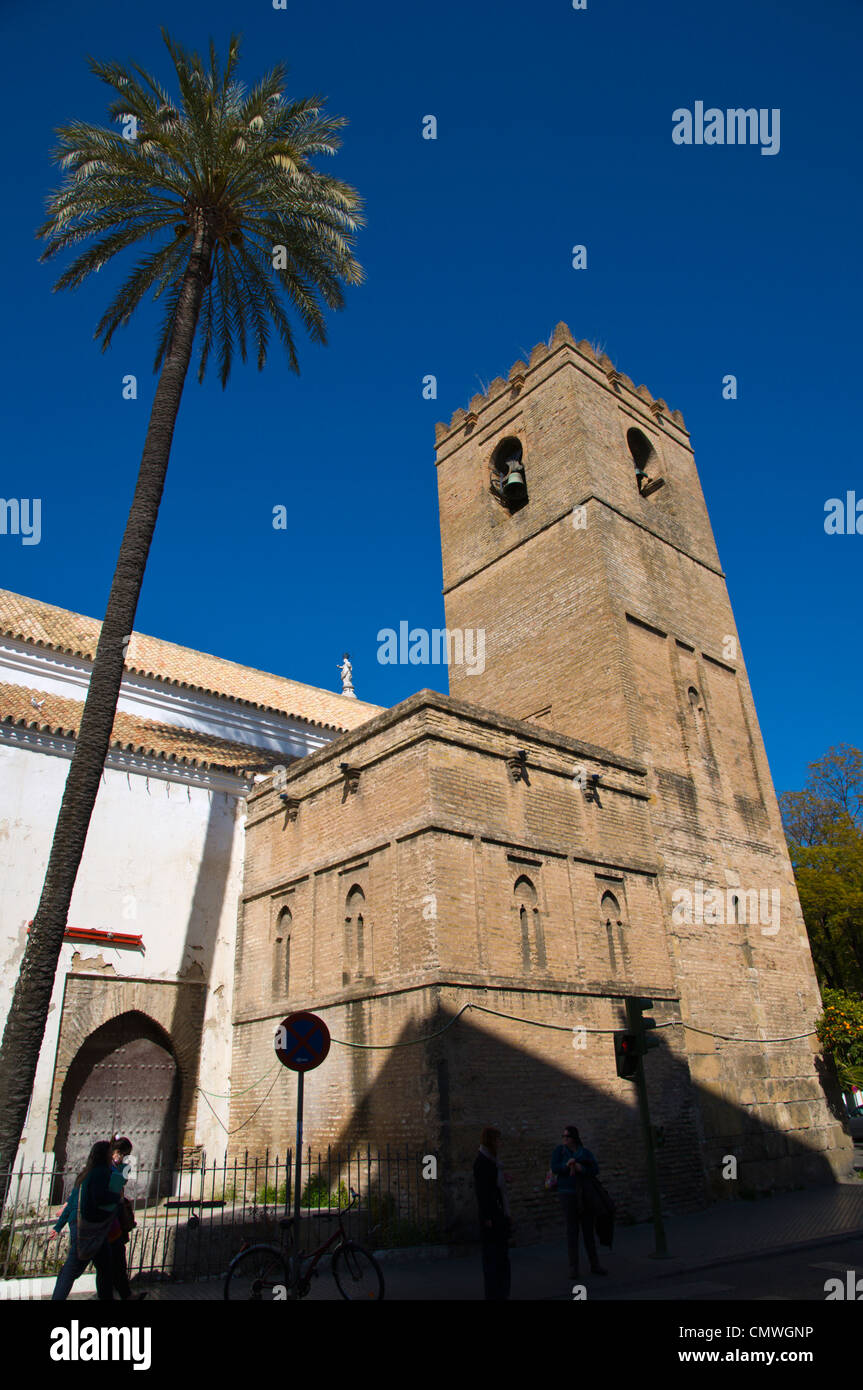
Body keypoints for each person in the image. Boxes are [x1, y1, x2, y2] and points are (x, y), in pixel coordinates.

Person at [50, 1140, 122, 1300]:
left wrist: (58, 1226)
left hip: (80, 1224)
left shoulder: (85, 1174)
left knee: (104, 1266)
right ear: (106, 1155)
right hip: (90, 1227)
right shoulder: (102, 1172)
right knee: (72, 1268)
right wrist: (116, 1197)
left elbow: (70, 1204)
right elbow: (99, 1197)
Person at [550, 1124, 607, 1279]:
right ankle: (573, 1268)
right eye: (563, 1136)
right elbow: (554, 1168)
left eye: (567, 1136)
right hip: (567, 1194)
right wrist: (566, 1165)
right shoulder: (560, 1151)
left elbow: (595, 1169)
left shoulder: (585, 1153)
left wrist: (582, 1168)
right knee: (572, 1231)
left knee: (588, 1231)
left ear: (574, 1138)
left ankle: (594, 1264)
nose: (564, 1139)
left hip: (585, 1195)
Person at [473, 1126, 512, 1300]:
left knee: (500, 1257)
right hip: (492, 1217)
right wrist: (487, 1217)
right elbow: (482, 1192)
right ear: (492, 1141)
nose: (501, 1143)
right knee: (494, 1258)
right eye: (498, 1139)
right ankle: (495, 1294)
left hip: (497, 1214)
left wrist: (503, 1177)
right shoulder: (483, 1162)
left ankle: (501, 1291)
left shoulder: (493, 1162)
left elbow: (494, 1185)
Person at [106, 1136, 143, 1300]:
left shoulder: (118, 1167)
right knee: (111, 1261)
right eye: (123, 1153)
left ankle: (125, 1294)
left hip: (113, 1220)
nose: (123, 1157)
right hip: (108, 1220)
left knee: (117, 1258)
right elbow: (115, 1188)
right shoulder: (108, 1168)